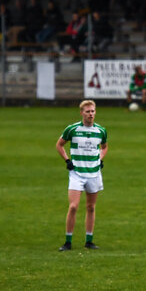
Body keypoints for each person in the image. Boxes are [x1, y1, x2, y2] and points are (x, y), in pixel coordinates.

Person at [56, 100, 108, 251]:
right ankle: (68, 241)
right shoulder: (72, 129)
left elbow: (104, 147)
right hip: (77, 173)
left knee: (91, 207)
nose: (90, 114)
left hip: (94, 173)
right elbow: (59, 144)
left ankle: (89, 240)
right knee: (73, 206)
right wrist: (67, 160)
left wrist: (100, 159)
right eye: (87, 111)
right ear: (81, 113)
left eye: (92, 111)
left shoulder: (101, 131)